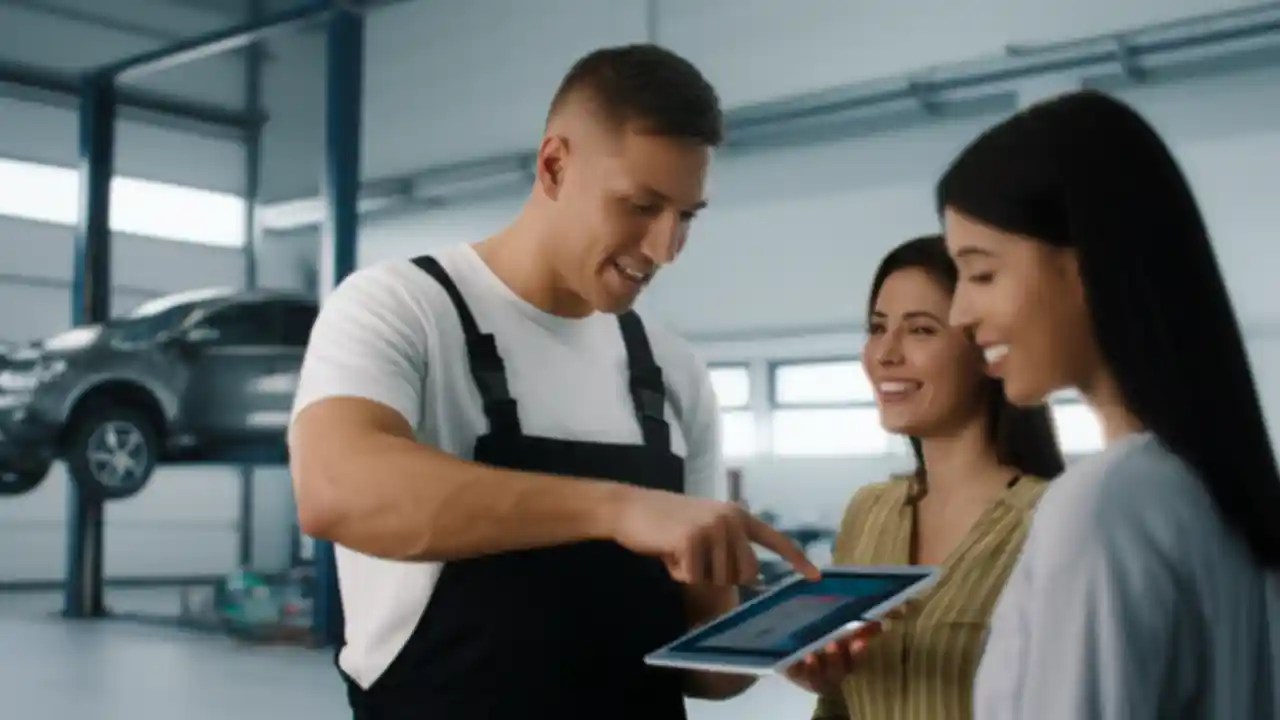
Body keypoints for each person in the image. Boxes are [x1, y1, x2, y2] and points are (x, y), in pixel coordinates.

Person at [286, 44, 818, 720]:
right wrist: (620, 509)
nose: (664, 248)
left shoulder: (672, 369)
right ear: (555, 165)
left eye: (686, 215)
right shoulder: (403, 309)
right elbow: (336, 491)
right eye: (639, 205)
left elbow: (705, 677)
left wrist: (778, 644)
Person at [937, 89, 1280, 718]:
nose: (961, 313)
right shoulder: (1223, 491)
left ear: (1087, 265)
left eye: (982, 273)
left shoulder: (1104, 505)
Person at [786, 234, 1065, 719]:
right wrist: (827, 676)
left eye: (920, 330)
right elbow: (835, 710)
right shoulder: (868, 512)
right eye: (877, 328)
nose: (885, 354)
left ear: (986, 352)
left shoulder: (1053, 521)